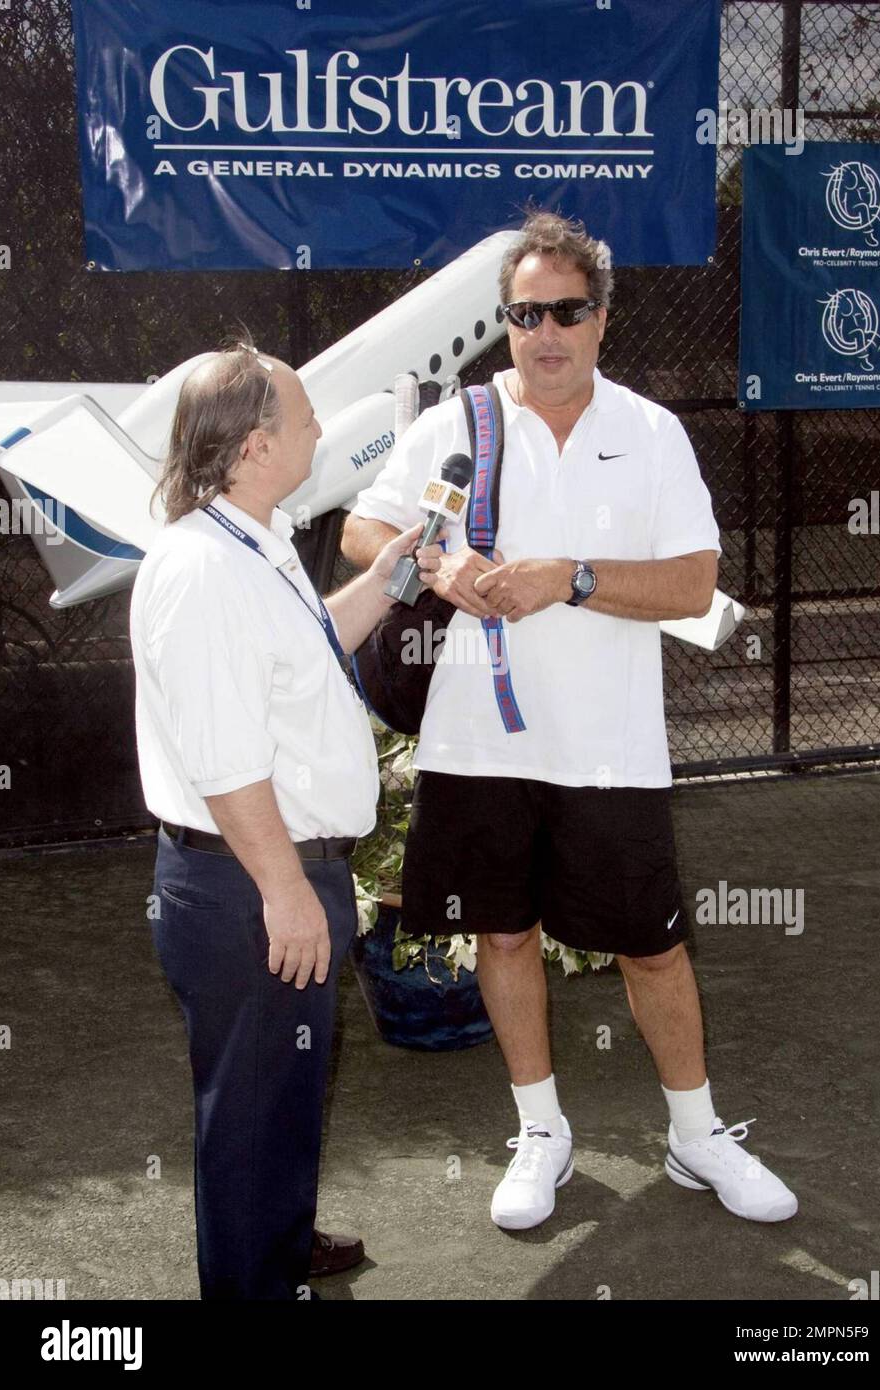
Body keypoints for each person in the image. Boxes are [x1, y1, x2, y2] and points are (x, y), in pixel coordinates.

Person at [341, 212, 798, 1232]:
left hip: (611, 750)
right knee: (503, 933)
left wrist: (569, 578)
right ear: (505, 321)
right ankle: (541, 1132)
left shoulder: (649, 431)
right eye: (523, 313)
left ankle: (695, 1136)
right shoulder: (456, 420)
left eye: (565, 310)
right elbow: (363, 527)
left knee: (651, 946)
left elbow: (693, 584)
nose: (544, 331)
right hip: (477, 743)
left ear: (600, 318)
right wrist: (442, 565)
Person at [130, 338, 420, 1298]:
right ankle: (255, 1279)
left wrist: (389, 580)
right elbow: (224, 760)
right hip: (250, 881)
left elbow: (309, 650)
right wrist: (287, 892)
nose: (319, 433)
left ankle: (280, 1248)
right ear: (254, 446)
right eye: (302, 419)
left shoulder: (254, 540)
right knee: (251, 1112)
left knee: (283, 1096)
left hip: (272, 875)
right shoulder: (206, 568)